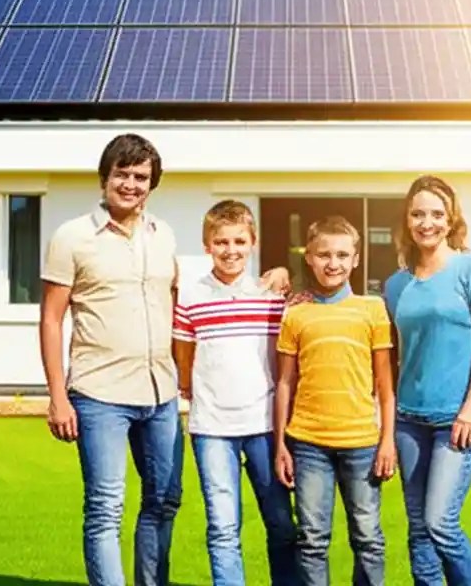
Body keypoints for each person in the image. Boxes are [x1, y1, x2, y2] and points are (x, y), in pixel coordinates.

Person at [39, 133, 290, 586]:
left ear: (151, 185)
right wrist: (58, 396)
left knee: (164, 500)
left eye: (141, 177)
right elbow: (52, 319)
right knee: (105, 507)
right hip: (98, 393)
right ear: (104, 178)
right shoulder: (72, 237)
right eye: (122, 174)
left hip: (159, 395)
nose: (131, 184)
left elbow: (186, 299)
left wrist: (276, 278)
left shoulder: (162, 234)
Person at [381, 175, 471, 586]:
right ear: (407, 220)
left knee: (440, 523)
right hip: (409, 421)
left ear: (451, 220)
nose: (427, 222)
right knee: (419, 532)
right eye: (418, 214)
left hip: (456, 420)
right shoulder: (396, 285)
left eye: (436, 214)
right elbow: (391, 354)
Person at [172, 199, 300, 586]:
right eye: (221, 242)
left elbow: (288, 353)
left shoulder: (270, 294)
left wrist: (286, 274)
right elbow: (183, 358)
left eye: (239, 241)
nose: (231, 250)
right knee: (223, 528)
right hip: (212, 429)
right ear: (207, 245)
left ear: (253, 243)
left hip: (265, 426)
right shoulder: (191, 296)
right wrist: (194, 390)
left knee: (281, 523)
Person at [273, 215, 397, 586]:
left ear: (355, 260)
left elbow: (385, 384)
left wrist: (387, 440)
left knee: (368, 538)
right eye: (324, 254)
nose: (333, 263)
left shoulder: (372, 310)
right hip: (308, 444)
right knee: (312, 540)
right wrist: (281, 445)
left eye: (342, 255)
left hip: (361, 444)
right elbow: (284, 383)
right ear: (309, 258)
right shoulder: (296, 313)